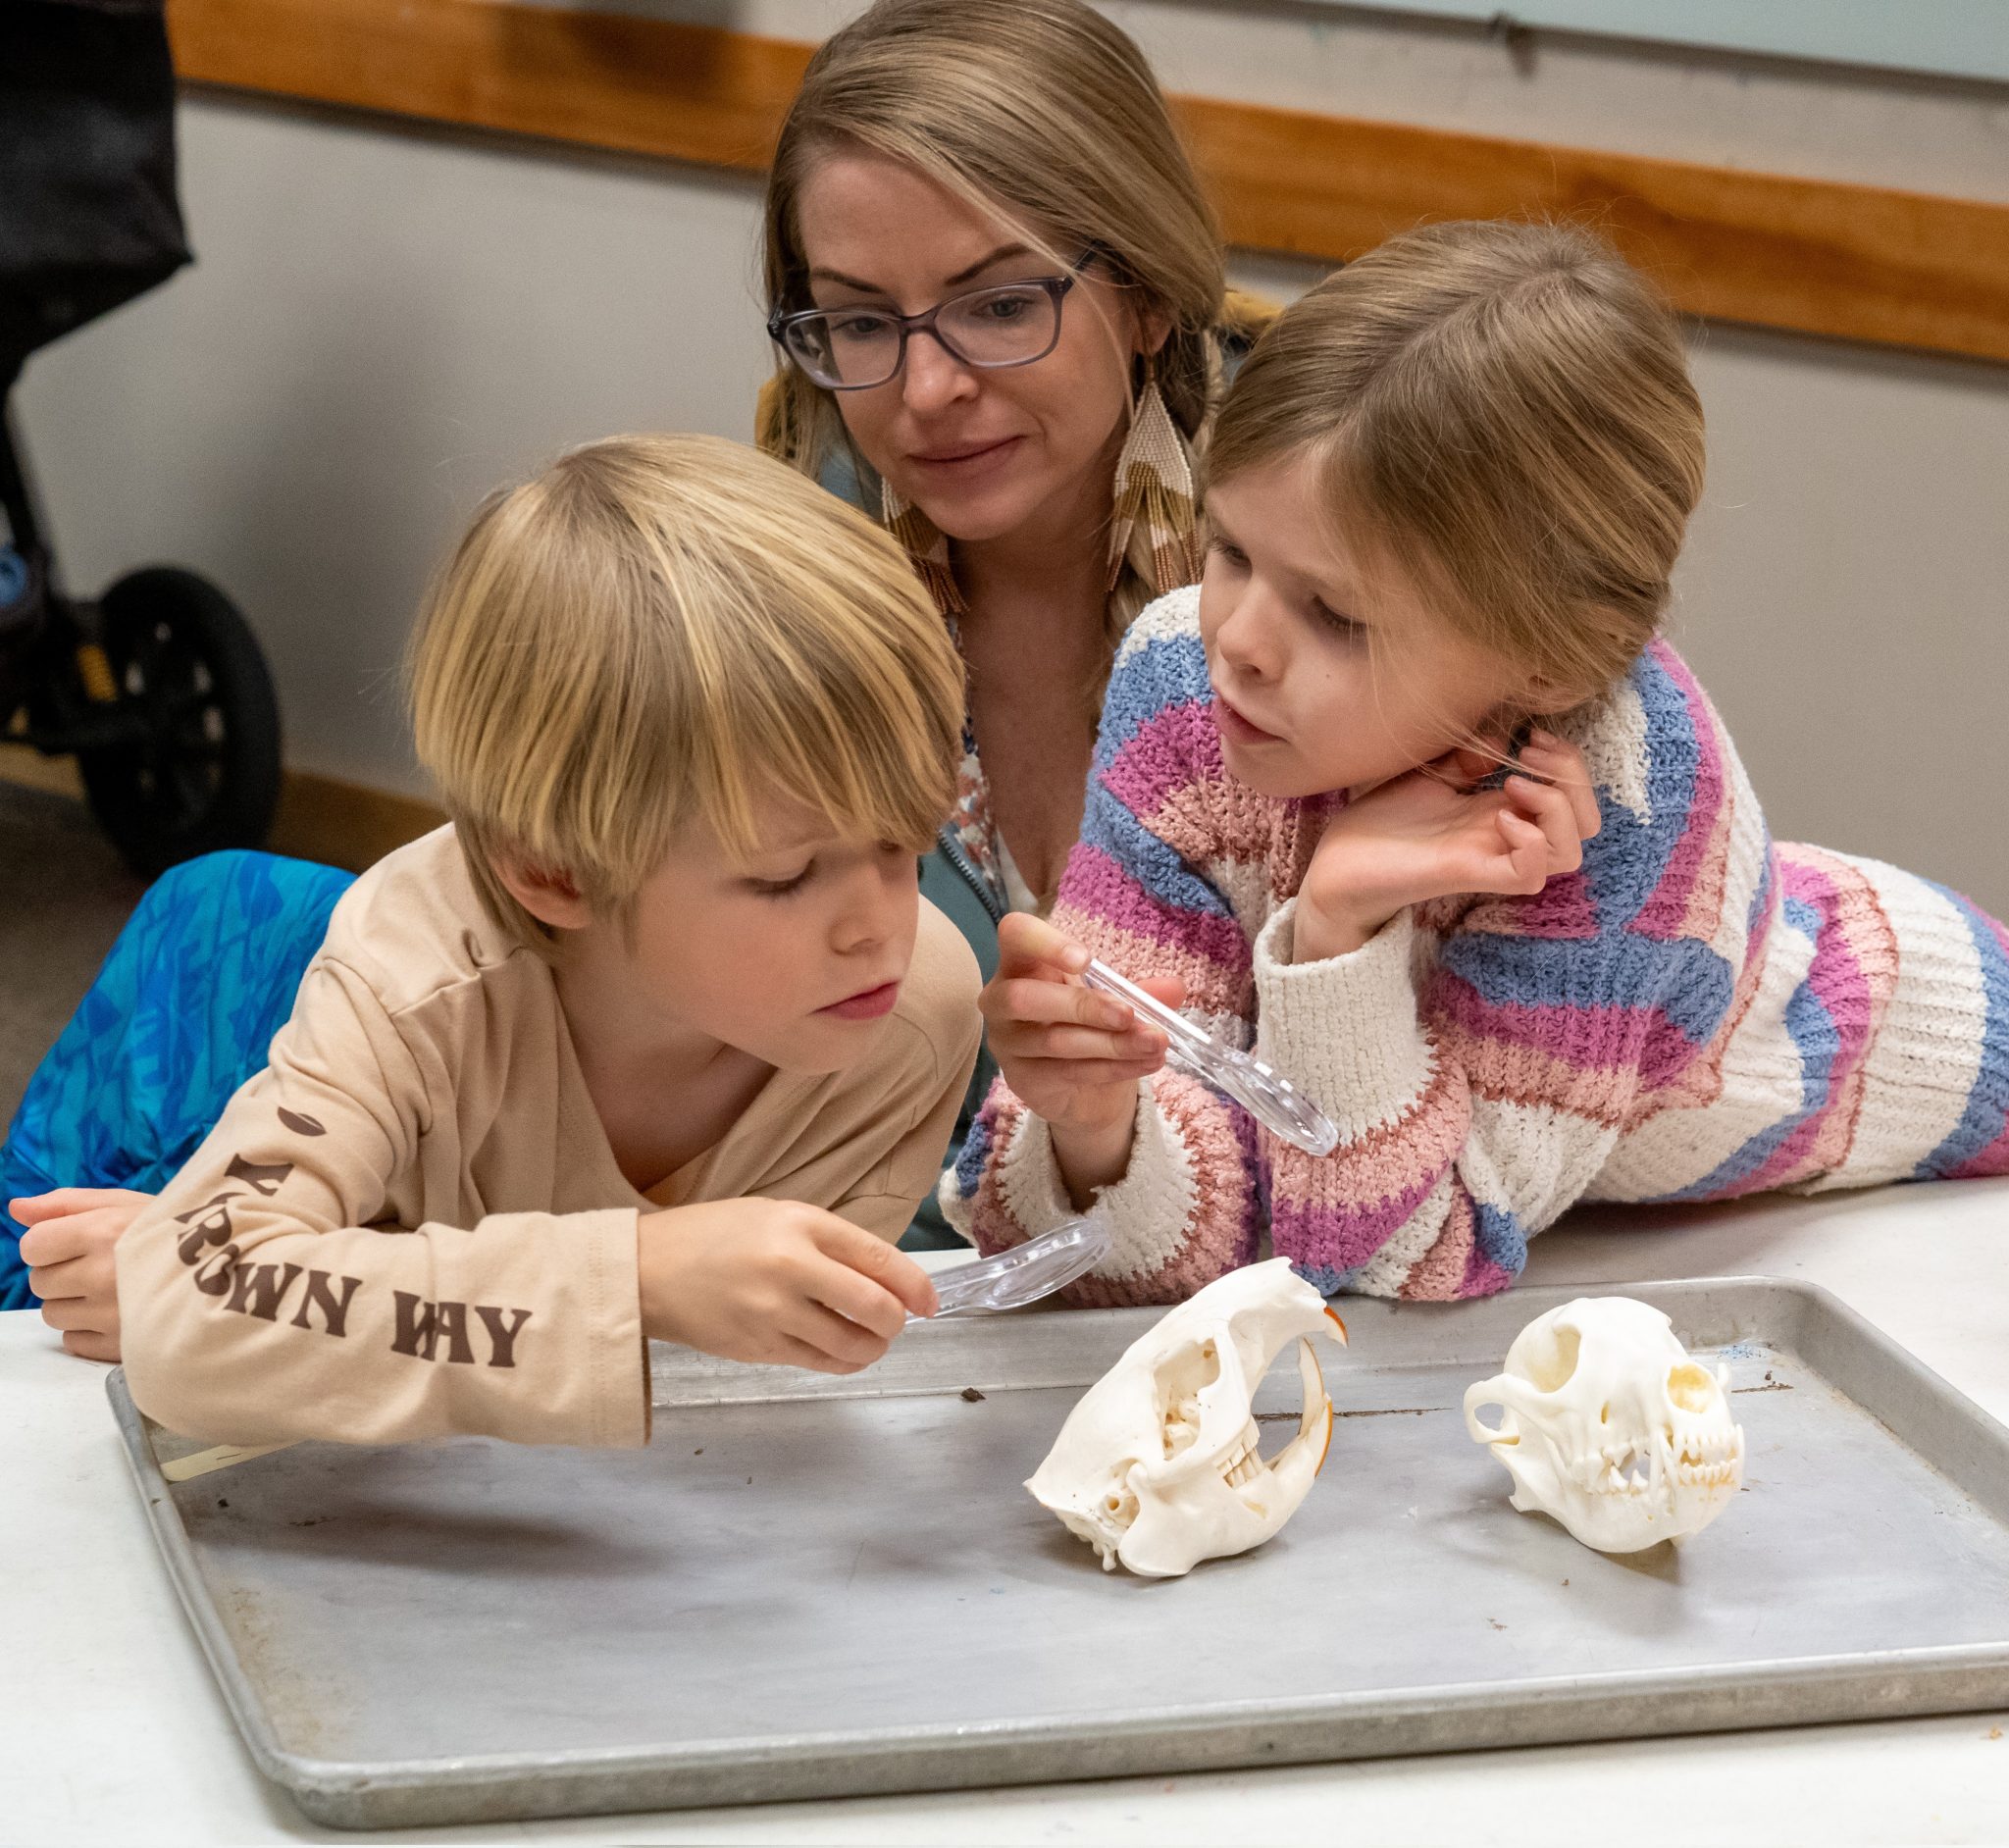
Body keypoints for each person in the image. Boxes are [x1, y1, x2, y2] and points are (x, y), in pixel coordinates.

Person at [944, 221, 2009, 1305]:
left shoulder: (1631, 806)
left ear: (1546, 661)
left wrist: (1332, 931)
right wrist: (1091, 1125)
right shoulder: (1184, 681)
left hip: (1926, 1048)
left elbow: (1400, 1259)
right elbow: (1117, 1248)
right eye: (1229, 551)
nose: (1239, 640)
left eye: (1337, 616)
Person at [54, 434, 980, 1442]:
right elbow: (187, 1318)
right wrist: (634, 1276)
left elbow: (740, 1392)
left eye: (906, 842)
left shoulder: (911, 1012)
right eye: (785, 877)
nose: (876, 927)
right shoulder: (414, 980)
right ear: (551, 871)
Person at [756, 0, 1271, 1238]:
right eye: (862, 320)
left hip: (1297, 1261)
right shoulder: (795, 547)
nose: (926, 391)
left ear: (1144, 295)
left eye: (997, 304)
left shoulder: (1337, 525)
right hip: (922, 1282)